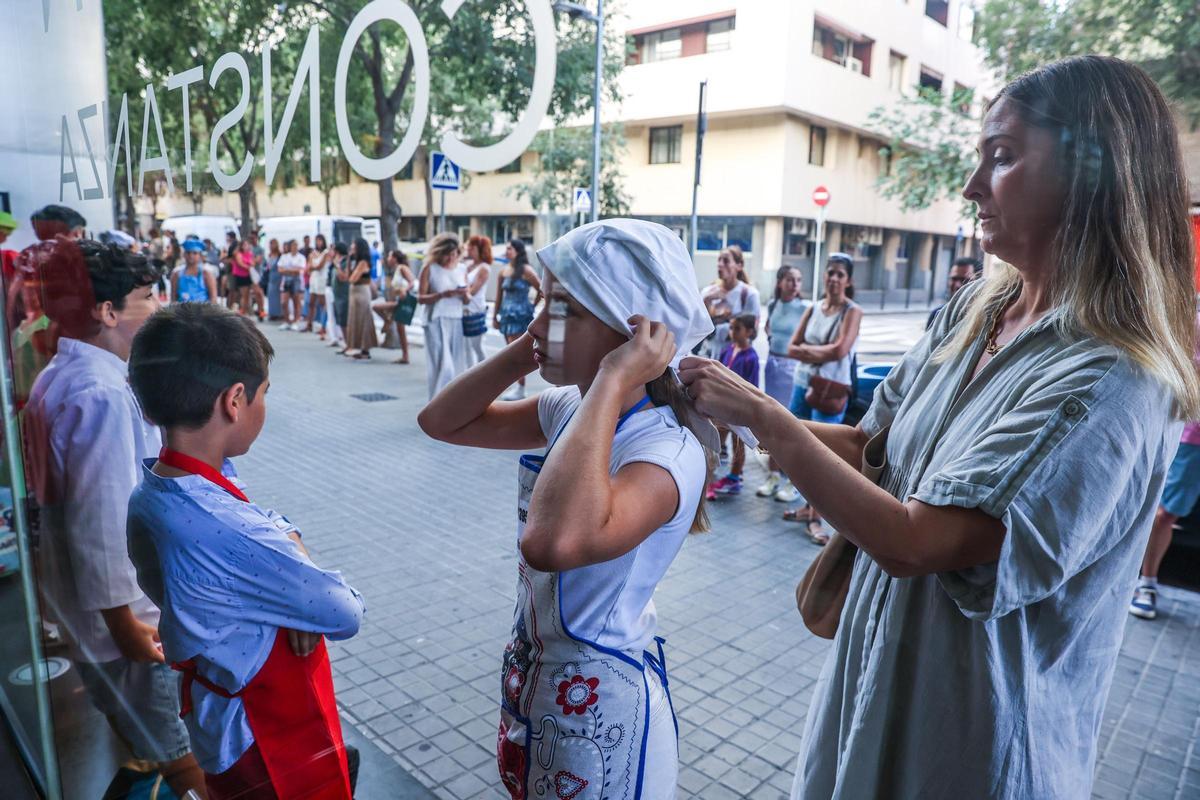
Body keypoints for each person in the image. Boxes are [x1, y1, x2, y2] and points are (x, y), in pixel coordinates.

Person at [677, 56, 1200, 799]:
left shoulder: (1110, 375)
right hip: (875, 691)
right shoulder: (975, 313)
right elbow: (869, 450)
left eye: (1004, 156)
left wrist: (766, 418)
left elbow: (916, 539)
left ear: (1094, 171)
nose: (971, 187)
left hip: (972, 741)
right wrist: (715, 402)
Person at [418, 218, 713, 799]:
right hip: (541, 692)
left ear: (631, 334)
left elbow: (550, 543)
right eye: (545, 303)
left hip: (603, 718)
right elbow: (442, 422)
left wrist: (613, 377)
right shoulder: (569, 408)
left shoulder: (667, 450)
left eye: (564, 310)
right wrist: (526, 350)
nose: (543, 321)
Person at [126, 302, 363, 800]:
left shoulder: (153, 492)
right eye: (264, 395)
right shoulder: (225, 524)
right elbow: (342, 611)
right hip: (264, 737)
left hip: (216, 720)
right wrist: (293, 577)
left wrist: (285, 586)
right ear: (235, 400)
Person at [22, 241, 207, 798]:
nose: (156, 306)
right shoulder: (100, 392)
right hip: (129, 623)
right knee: (181, 757)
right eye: (146, 297)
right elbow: (102, 519)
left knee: (148, 739)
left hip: (96, 614)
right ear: (107, 312)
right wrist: (125, 624)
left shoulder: (66, 372)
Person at [780, 253, 863, 544]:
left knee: (823, 452)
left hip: (830, 387)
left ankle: (818, 517)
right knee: (797, 446)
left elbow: (840, 351)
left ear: (848, 280)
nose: (834, 278)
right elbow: (791, 347)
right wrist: (819, 351)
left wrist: (809, 350)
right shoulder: (814, 307)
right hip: (803, 384)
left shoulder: (852, 311)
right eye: (831, 272)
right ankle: (807, 506)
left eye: (840, 274)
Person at [1131, 313, 1200, 620]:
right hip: (1191, 431)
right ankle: (1145, 583)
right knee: (1163, 512)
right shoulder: (1193, 318)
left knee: (1168, 513)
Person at [758, 266, 811, 501]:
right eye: (790, 279)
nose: (795, 284)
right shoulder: (773, 304)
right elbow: (769, 328)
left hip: (793, 368)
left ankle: (794, 481)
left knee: (792, 423)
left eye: (798, 280)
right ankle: (773, 475)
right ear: (780, 282)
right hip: (773, 366)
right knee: (773, 421)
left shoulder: (806, 308)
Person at [707, 313, 761, 500]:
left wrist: (747, 410)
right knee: (715, 441)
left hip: (739, 409)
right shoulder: (728, 350)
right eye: (731, 328)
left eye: (737, 328)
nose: (732, 332)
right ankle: (708, 479)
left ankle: (734, 477)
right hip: (722, 407)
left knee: (739, 444)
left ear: (749, 332)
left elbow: (752, 386)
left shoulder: (751, 357)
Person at [418, 233, 467, 397]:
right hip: (435, 320)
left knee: (457, 366)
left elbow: (466, 300)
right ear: (439, 252)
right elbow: (420, 298)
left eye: (454, 254)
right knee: (442, 366)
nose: (451, 258)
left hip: (456, 319)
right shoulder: (429, 269)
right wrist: (442, 295)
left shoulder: (462, 269)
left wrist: (465, 295)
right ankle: (435, 404)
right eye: (448, 254)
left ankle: (451, 405)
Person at [493, 237, 541, 400]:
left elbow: (541, 289)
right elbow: (498, 296)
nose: (506, 251)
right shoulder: (503, 270)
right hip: (506, 314)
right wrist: (495, 316)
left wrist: (532, 306)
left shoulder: (526, 270)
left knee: (516, 351)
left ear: (517, 251)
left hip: (520, 315)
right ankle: (518, 386)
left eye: (509, 249)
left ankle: (520, 387)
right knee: (509, 349)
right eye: (506, 248)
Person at [701, 245, 760, 360]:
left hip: (735, 360)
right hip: (708, 357)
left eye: (726, 261)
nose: (720, 264)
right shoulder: (708, 292)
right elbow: (697, 329)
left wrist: (724, 324)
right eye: (719, 260)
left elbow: (753, 333)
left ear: (739, 265)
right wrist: (706, 301)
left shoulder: (749, 294)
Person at [371, 249, 416, 364]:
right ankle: (405, 355)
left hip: (403, 300)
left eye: (390, 256)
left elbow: (412, 282)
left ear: (395, 258)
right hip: (397, 300)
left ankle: (405, 355)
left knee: (400, 327)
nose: (388, 259)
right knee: (400, 329)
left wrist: (405, 290)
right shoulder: (395, 270)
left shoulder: (402, 268)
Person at [343, 237, 378, 360]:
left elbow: (352, 278)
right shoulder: (355, 261)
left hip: (361, 292)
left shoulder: (363, 262)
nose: (352, 247)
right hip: (354, 292)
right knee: (355, 320)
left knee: (364, 320)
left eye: (353, 245)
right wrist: (348, 260)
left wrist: (350, 269)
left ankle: (365, 349)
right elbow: (348, 276)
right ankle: (358, 347)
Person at [927, 256, 981, 330]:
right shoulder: (937, 315)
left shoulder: (984, 317)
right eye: (954, 279)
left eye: (965, 280)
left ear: (978, 282)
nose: (957, 285)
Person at [463, 235, 493, 368]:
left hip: (475, 309)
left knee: (477, 346)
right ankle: (468, 375)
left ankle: (485, 373)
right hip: (464, 309)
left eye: (472, 247)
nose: (468, 249)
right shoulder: (468, 265)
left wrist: (459, 290)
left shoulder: (484, 268)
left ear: (480, 250)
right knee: (466, 347)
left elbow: (473, 290)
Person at [172, 239, 218, 304]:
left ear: (200, 256)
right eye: (188, 253)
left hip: (203, 311)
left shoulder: (207, 274)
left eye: (195, 253)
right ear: (184, 254)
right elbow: (173, 299)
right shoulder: (176, 274)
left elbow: (213, 299)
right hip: (182, 312)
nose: (191, 256)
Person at [277, 239, 307, 331]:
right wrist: (292, 270)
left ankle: (295, 321)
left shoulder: (301, 257)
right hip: (286, 281)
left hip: (297, 281)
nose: (295, 247)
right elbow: (280, 270)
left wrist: (287, 270)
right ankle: (287, 321)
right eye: (293, 245)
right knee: (284, 302)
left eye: (296, 245)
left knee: (296, 302)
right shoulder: (284, 256)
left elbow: (300, 270)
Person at [305, 233, 330, 336]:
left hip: (321, 280)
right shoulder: (313, 253)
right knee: (311, 302)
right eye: (317, 240)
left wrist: (312, 266)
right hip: (314, 279)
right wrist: (312, 266)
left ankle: (323, 325)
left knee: (322, 303)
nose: (318, 242)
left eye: (320, 240)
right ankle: (309, 324)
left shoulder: (326, 252)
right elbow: (308, 268)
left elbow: (319, 266)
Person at [264, 238, 283, 320]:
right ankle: (272, 313)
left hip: (278, 276)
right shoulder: (270, 255)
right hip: (271, 277)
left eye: (273, 244)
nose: (271, 246)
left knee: (278, 296)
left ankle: (279, 313)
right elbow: (267, 267)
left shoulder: (280, 255)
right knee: (271, 295)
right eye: (270, 244)